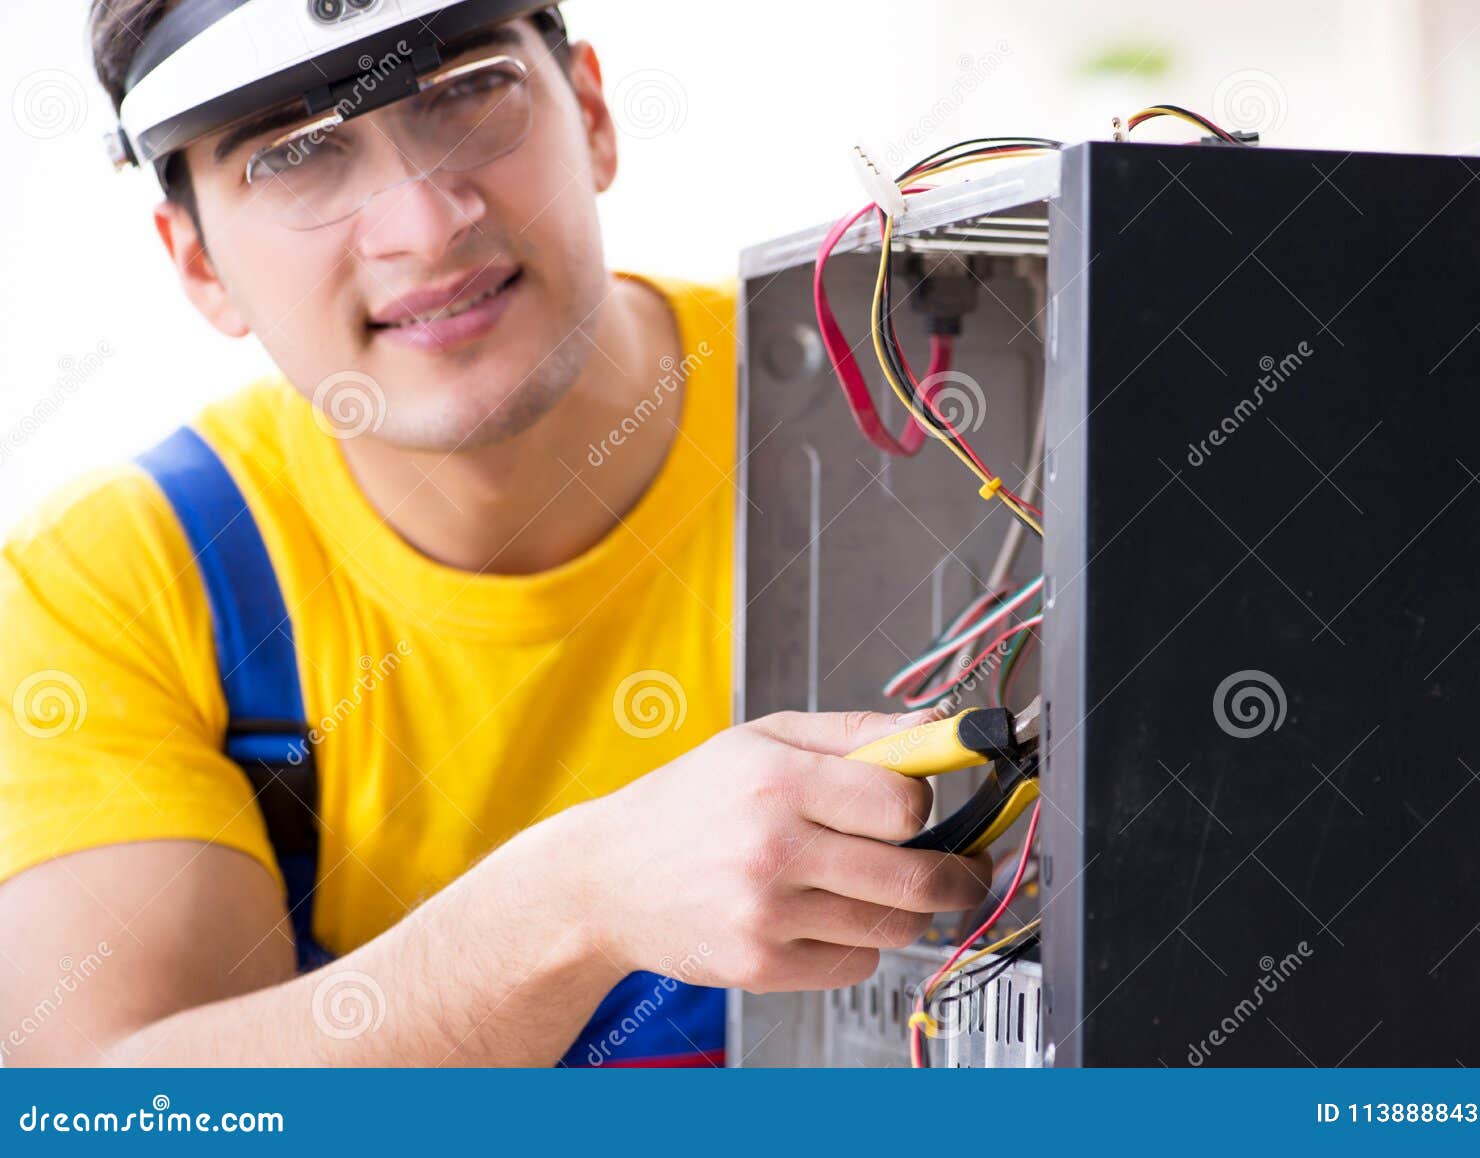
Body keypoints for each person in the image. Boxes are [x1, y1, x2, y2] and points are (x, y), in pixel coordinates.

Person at [0, 0, 989, 1066]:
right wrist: (568, 909)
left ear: (594, 116)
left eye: (468, 91)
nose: (426, 224)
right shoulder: (120, 584)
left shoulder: (949, 433)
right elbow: (103, 1110)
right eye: (295, 157)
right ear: (196, 262)